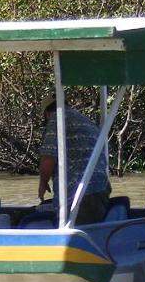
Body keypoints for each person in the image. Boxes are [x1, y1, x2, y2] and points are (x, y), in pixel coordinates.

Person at [36, 95, 111, 224]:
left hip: (79, 195)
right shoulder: (85, 120)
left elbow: (48, 159)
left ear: (47, 114)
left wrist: (43, 183)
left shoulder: (57, 118)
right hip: (101, 189)